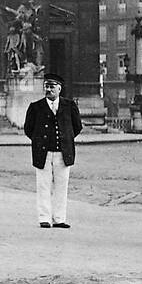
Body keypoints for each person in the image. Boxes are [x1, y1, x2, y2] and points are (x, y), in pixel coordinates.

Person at [22, 72, 82, 229]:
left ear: (59, 89)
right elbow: (29, 129)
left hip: (63, 153)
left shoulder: (70, 106)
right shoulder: (36, 107)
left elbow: (77, 127)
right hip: (43, 153)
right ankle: (44, 218)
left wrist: (65, 140)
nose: (48, 89)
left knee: (62, 186)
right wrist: (40, 141)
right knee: (43, 186)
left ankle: (59, 218)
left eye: (52, 86)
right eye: (46, 86)